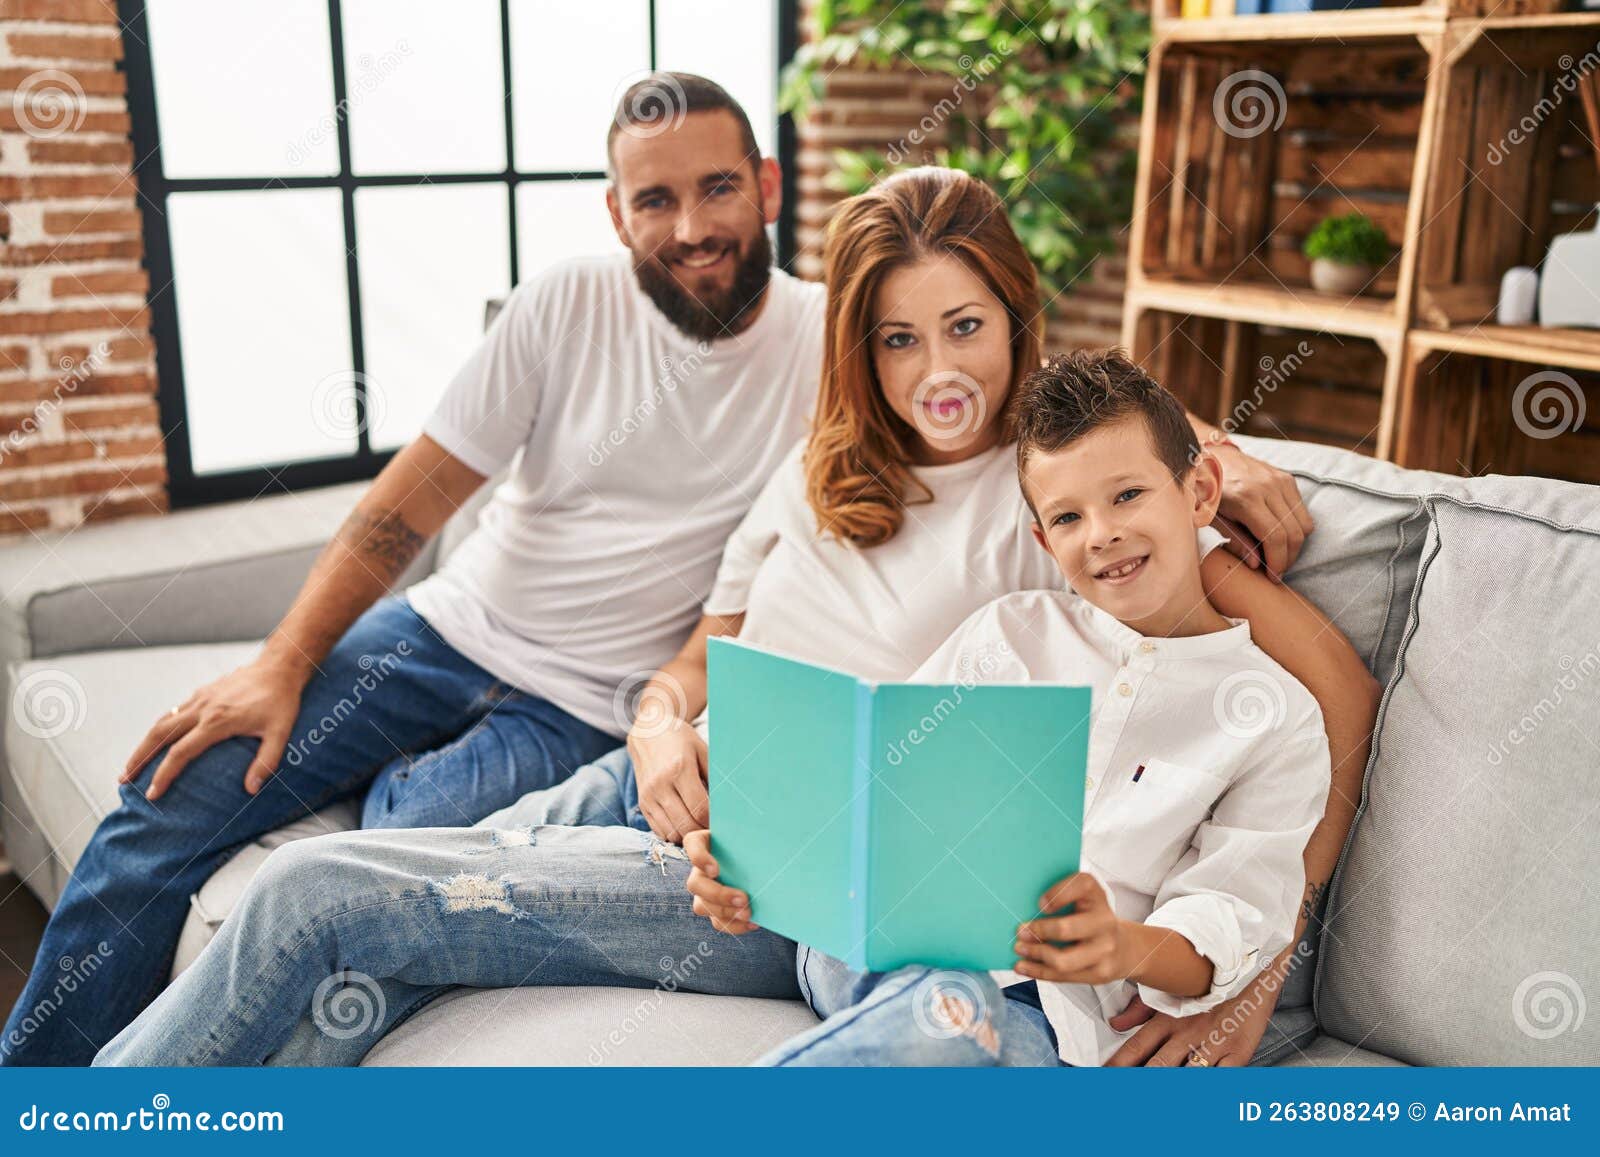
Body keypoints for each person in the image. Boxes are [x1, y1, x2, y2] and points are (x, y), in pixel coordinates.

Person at [93, 168, 1373, 1068]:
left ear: (1016, 323)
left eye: (967, 328)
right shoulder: (820, 467)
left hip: (815, 881)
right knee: (345, 918)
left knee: (337, 895)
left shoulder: (1055, 506)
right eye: (895, 339)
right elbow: (704, 659)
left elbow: (1311, 679)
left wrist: (1256, 967)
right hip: (678, 796)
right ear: (856, 350)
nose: (936, 373)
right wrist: (657, 726)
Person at [3, 73, 825, 1066]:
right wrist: (282, 664)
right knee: (170, 789)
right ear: (617, 214)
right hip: (441, 629)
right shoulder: (564, 301)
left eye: (718, 189)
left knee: (402, 841)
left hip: (580, 705)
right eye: (656, 199)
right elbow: (405, 508)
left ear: (769, 186)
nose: (692, 226)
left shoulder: (832, 349)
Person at [686, 349, 1332, 1066]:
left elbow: (1234, 919)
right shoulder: (1011, 633)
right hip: (862, 933)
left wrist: (1124, 944)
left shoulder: (1276, 719)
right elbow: (877, 789)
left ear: (1200, 491)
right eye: (1067, 516)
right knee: (554, 884)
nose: (1101, 533)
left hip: (1034, 1014)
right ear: (1043, 541)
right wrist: (755, 870)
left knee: (955, 1025)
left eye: (1128, 495)